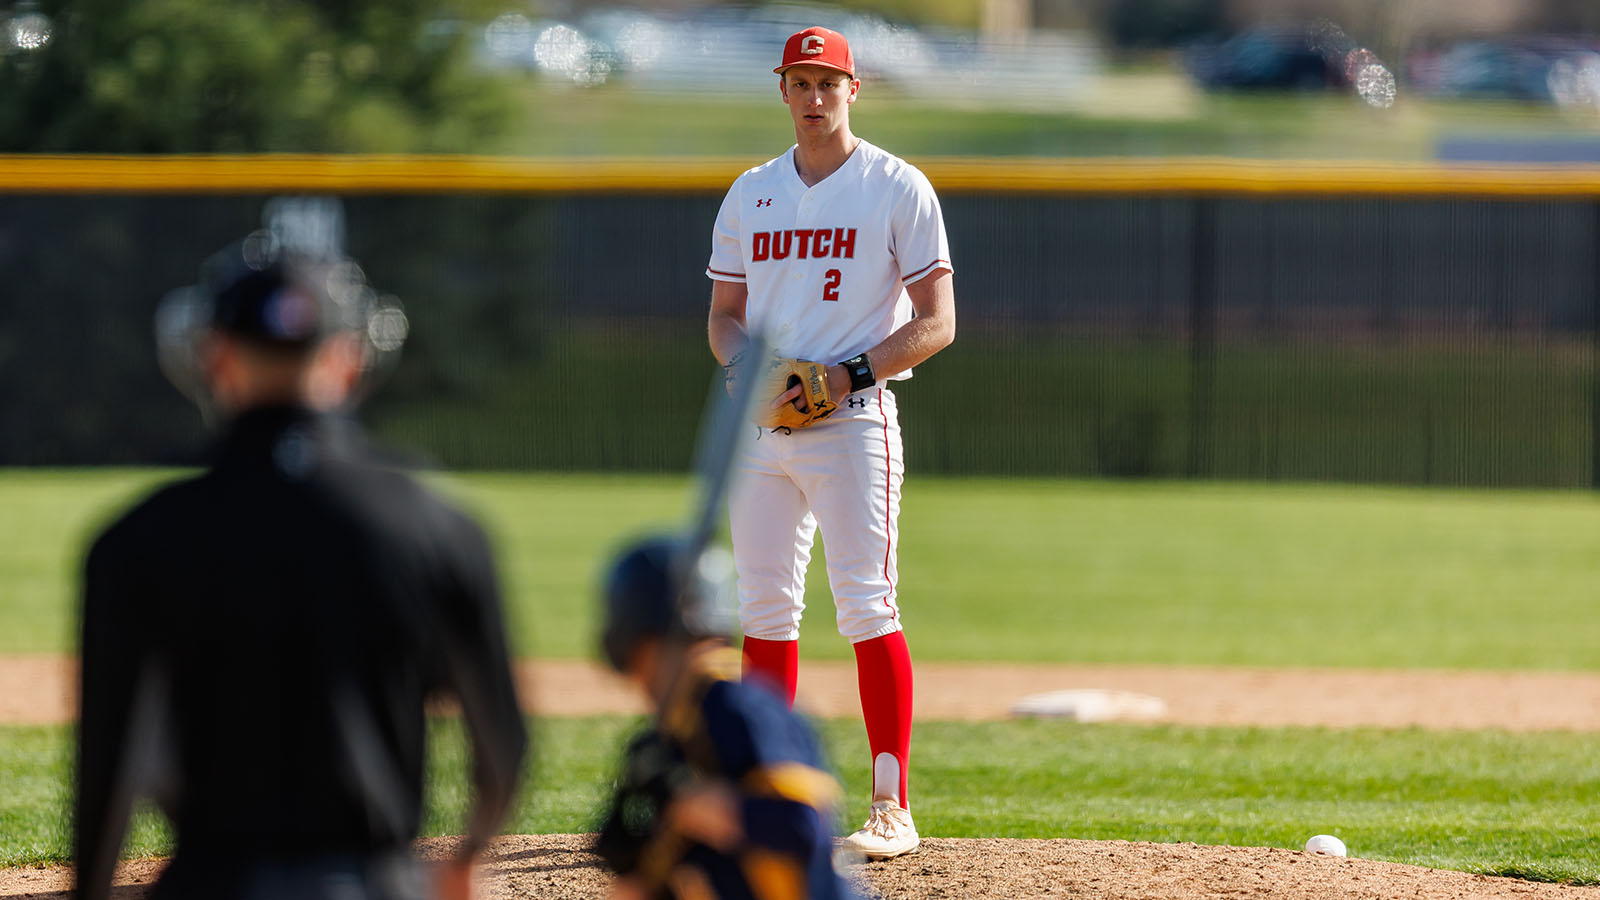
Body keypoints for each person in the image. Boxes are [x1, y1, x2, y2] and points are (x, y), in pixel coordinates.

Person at [74, 231, 528, 900]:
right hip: (377, 882)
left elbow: (110, 765)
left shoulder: (136, 539)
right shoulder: (440, 527)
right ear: (348, 362)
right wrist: (466, 856)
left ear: (214, 359)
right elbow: (503, 750)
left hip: (212, 883)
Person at [704, 26, 956, 859]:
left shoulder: (896, 186)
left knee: (866, 604)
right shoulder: (750, 191)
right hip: (762, 432)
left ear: (855, 89)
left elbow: (937, 323)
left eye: (828, 83)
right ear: (782, 91)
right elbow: (724, 318)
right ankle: (764, 798)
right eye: (800, 83)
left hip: (851, 427)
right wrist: (750, 368)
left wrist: (844, 374)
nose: (814, 98)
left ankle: (893, 807)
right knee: (764, 611)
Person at [595, 536, 858, 900]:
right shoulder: (680, 727)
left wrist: (700, 807)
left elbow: (802, 822)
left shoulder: (737, 704)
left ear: (642, 644)